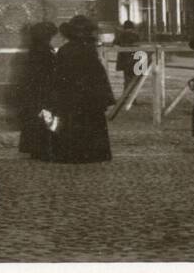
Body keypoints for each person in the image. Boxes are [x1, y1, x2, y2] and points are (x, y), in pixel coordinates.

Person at [49, 15, 114, 164]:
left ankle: (72, 154)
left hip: (71, 96)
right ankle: (94, 153)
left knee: (72, 124)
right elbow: (99, 75)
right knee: (91, 123)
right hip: (90, 97)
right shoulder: (89, 50)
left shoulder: (65, 50)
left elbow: (59, 76)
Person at [19, 21, 57, 160]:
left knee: (37, 119)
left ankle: (36, 148)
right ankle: (43, 149)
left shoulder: (35, 49)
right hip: (44, 91)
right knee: (44, 118)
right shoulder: (44, 50)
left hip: (35, 91)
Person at [115, 19, 141, 91]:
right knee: (134, 79)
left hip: (124, 60)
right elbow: (139, 46)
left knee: (127, 79)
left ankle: (126, 96)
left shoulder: (121, 35)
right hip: (134, 60)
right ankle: (132, 98)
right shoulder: (135, 35)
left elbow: (115, 45)